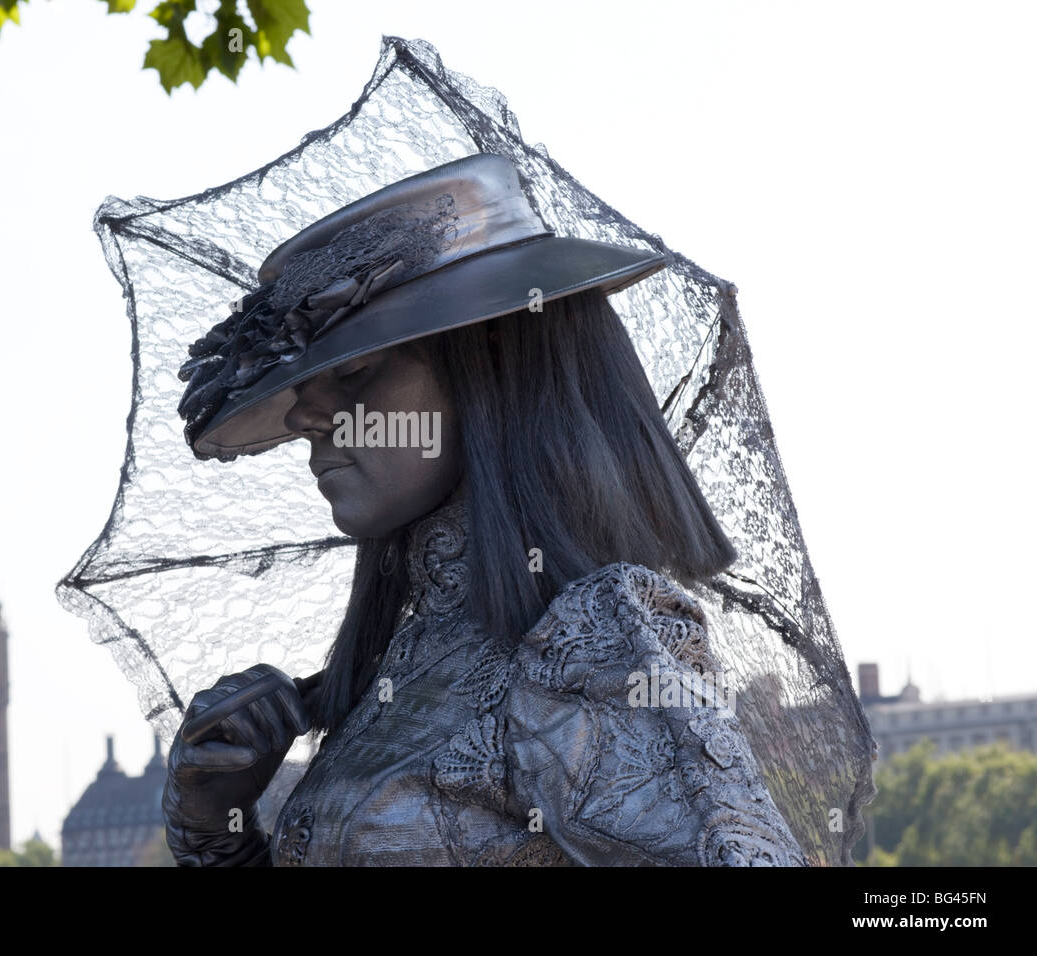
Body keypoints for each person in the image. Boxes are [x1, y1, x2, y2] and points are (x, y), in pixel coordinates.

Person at [161, 153, 807, 866]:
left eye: (354, 370)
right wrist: (213, 824)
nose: (309, 414)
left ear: (488, 357)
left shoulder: (598, 639)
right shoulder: (404, 660)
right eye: (306, 385)